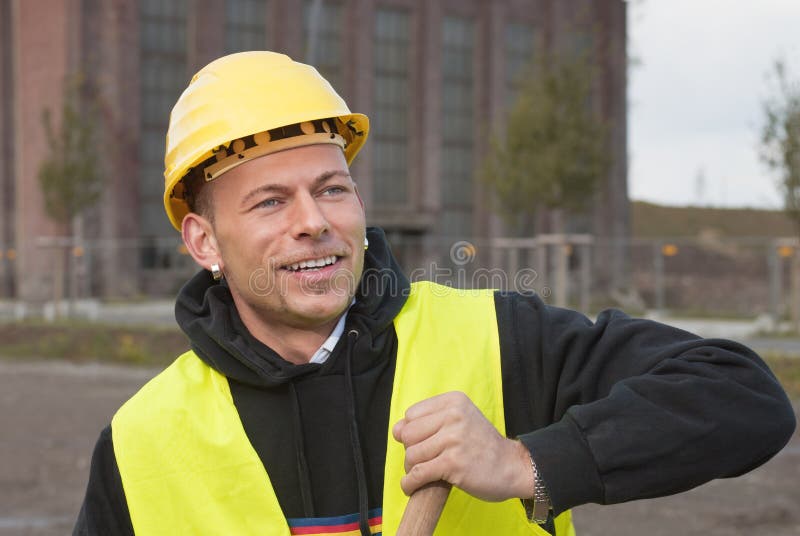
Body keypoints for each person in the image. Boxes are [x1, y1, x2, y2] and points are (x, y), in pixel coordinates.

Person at [74, 51, 795, 536]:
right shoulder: (141, 447)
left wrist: (530, 464)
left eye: (332, 189)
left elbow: (744, 396)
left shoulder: (497, 340)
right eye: (270, 202)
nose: (315, 223)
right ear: (204, 243)